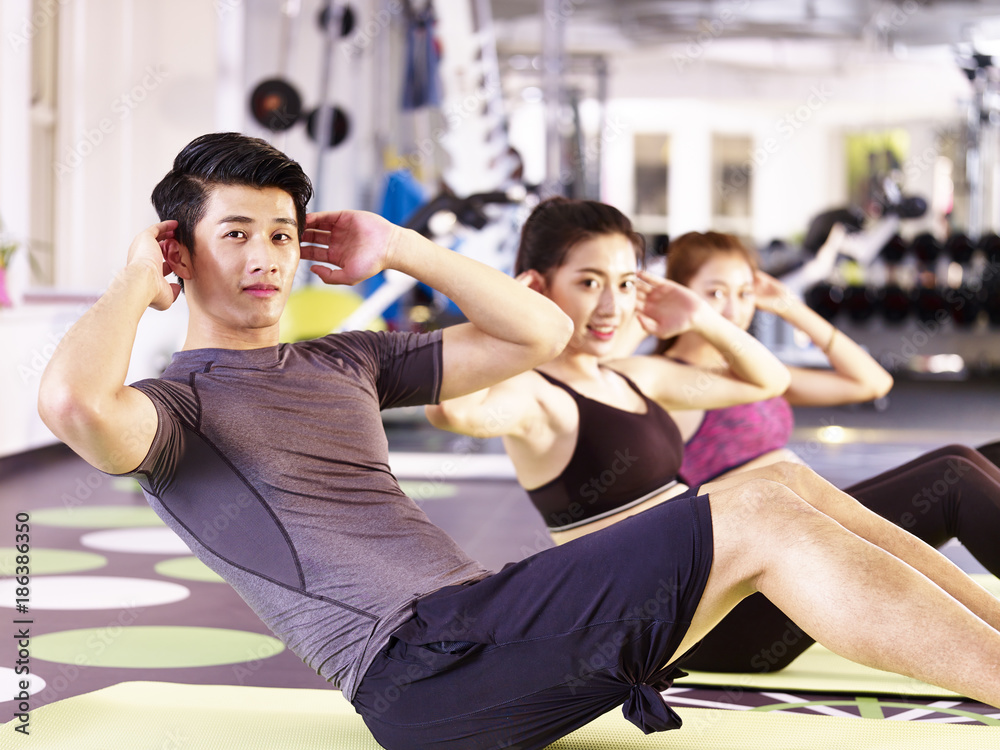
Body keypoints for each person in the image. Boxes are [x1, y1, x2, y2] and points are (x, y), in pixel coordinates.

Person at [38, 137, 1000, 750]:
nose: (266, 257)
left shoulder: (348, 359)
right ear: (179, 248)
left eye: (283, 236)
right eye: (237, 234)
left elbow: (539, 332)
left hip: (483, 627)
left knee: (779, 486)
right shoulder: (174, 411)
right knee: (759, 510)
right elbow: (75, 404)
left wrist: (402, 246)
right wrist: (134, 279)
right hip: (419, 671)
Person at [642, 229, 1000, 671]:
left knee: (978, 457)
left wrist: (789, 306)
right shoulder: (661, 380)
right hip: (738, 608)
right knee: (953, 480)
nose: (734, 309)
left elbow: (871, 382)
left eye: (743, 293)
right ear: (676, 295)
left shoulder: (752, 372)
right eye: (715, 293)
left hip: (803, 554)